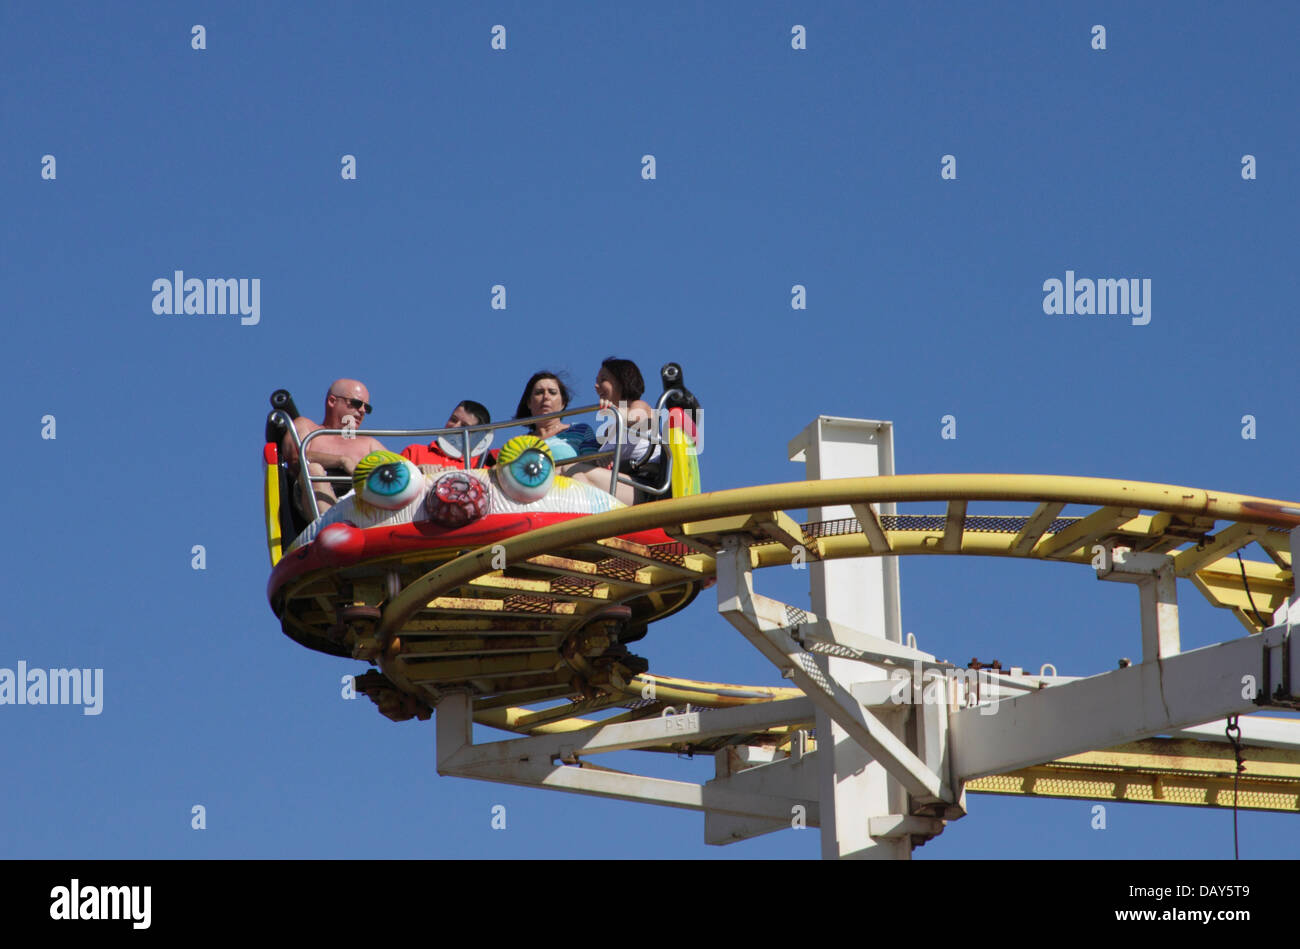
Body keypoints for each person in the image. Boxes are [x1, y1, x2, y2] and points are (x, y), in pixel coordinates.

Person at [282, 379, 385, 517]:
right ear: (332, 401)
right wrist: (342, 461)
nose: (362, 411)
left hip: (362, 508)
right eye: (356, 403)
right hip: (313, 502)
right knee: (313, 469)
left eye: (367, 408)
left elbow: (401, 468)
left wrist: (420, 469)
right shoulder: (306, 427)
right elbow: (295, 456)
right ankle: (331, 524)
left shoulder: (369, 444)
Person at [591, 357, 661, 504]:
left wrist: (616, 411)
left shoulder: (640, 405)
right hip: (617, 483)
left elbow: (639, 419)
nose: (596, 386)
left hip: (643, 484)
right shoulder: (609, 431)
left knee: (577, 474)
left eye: (603, 379)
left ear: (621, 381)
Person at [514, 371, 600, 460]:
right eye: (539, 392)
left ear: (563, 403)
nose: (546, 397)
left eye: (552, 392)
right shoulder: (519, 443)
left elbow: (592, 466)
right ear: (529, 402)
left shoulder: (581, 430)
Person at [402, 400, 496, 469]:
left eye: (464, 426)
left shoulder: (482, 467)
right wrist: (416, 473)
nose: (455, 426)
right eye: (453, 420)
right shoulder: (414, 452)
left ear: (477, 436)